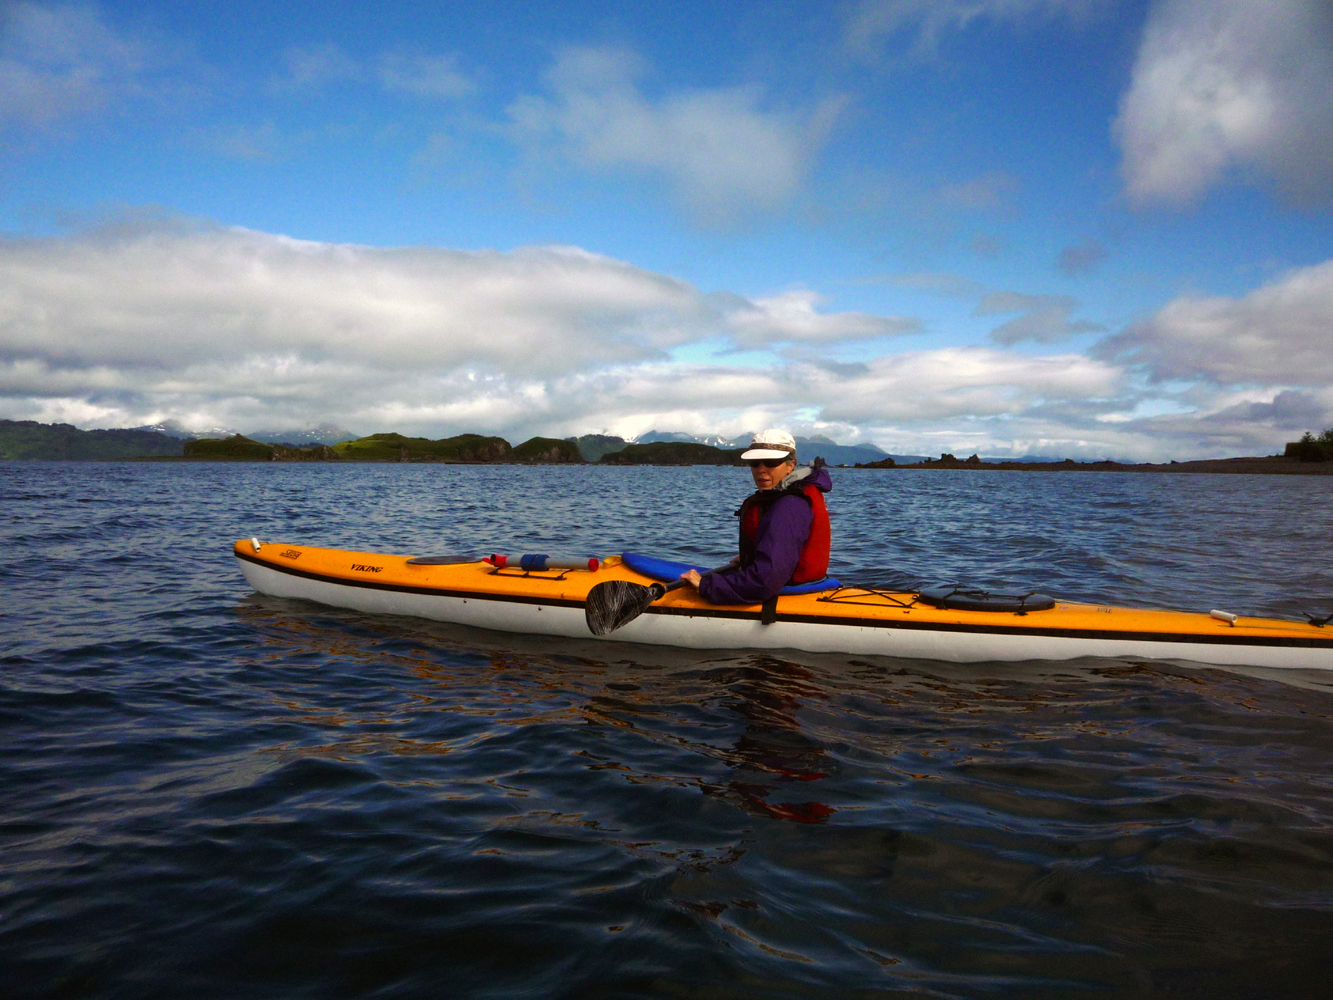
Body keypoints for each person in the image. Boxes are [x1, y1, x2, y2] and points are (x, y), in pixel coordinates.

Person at [681, 429, 832, 605]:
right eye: (755, 462)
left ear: (791, 465)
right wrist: (753, 555)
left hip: (787, 594)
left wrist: (705, 585)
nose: (761, 470)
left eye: (771, 462)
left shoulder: (790, 505)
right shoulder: (792, 498)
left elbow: (765, 582)